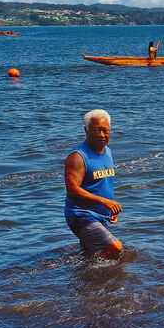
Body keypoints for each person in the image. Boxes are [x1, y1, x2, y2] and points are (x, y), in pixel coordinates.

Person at [64, 109, 123, 259]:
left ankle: (87, 276)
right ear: (86, 130)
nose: (102, 135)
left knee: (90, 255)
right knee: (115, 248)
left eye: (105, 130)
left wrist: (111, 209)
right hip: (81, 216)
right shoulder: (77, 157)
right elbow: (72, 190)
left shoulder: (108, 151)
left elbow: (103, 184)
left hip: (100, 215)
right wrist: (104, 202)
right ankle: (96, 270)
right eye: (96, 130)